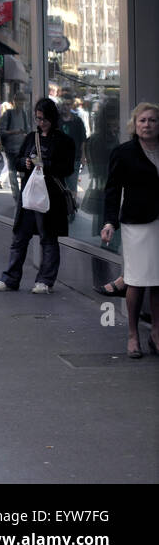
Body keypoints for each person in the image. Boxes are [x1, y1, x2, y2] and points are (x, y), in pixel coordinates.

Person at [0, 98, 75, 294]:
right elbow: (19, 162)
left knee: (48, 238)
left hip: (51, 196)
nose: (41, 123)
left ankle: (45, 280)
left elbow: (67, 168)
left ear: (52, 118)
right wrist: (26, 163)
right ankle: (10, 279)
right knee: (20, 237)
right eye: (38, 119)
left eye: (45, 119)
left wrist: (46, 165)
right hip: (30, 195)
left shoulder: (63, 141)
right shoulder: (31, 138)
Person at [101, 102, 159, 358]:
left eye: (153, 120)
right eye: (142, 121)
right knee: (136, 280)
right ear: (135, 126)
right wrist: (109, 222)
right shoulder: (124, 153)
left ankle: (157, 333)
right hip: (137, 224)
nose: (147, 125)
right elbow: (112, 190)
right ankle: (133, 335)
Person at [0, 96, 32, 199]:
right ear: (14, 102)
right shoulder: (8, 114)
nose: (20, 105)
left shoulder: (24, 114)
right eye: (19, 103)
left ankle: (22, 196)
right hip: (10, 149)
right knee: (12, 172)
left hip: (21, 149)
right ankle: (17, 196)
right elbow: (1, 131)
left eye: (22, 103)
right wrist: (14, 132)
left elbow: (27, 129)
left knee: (23, 173)